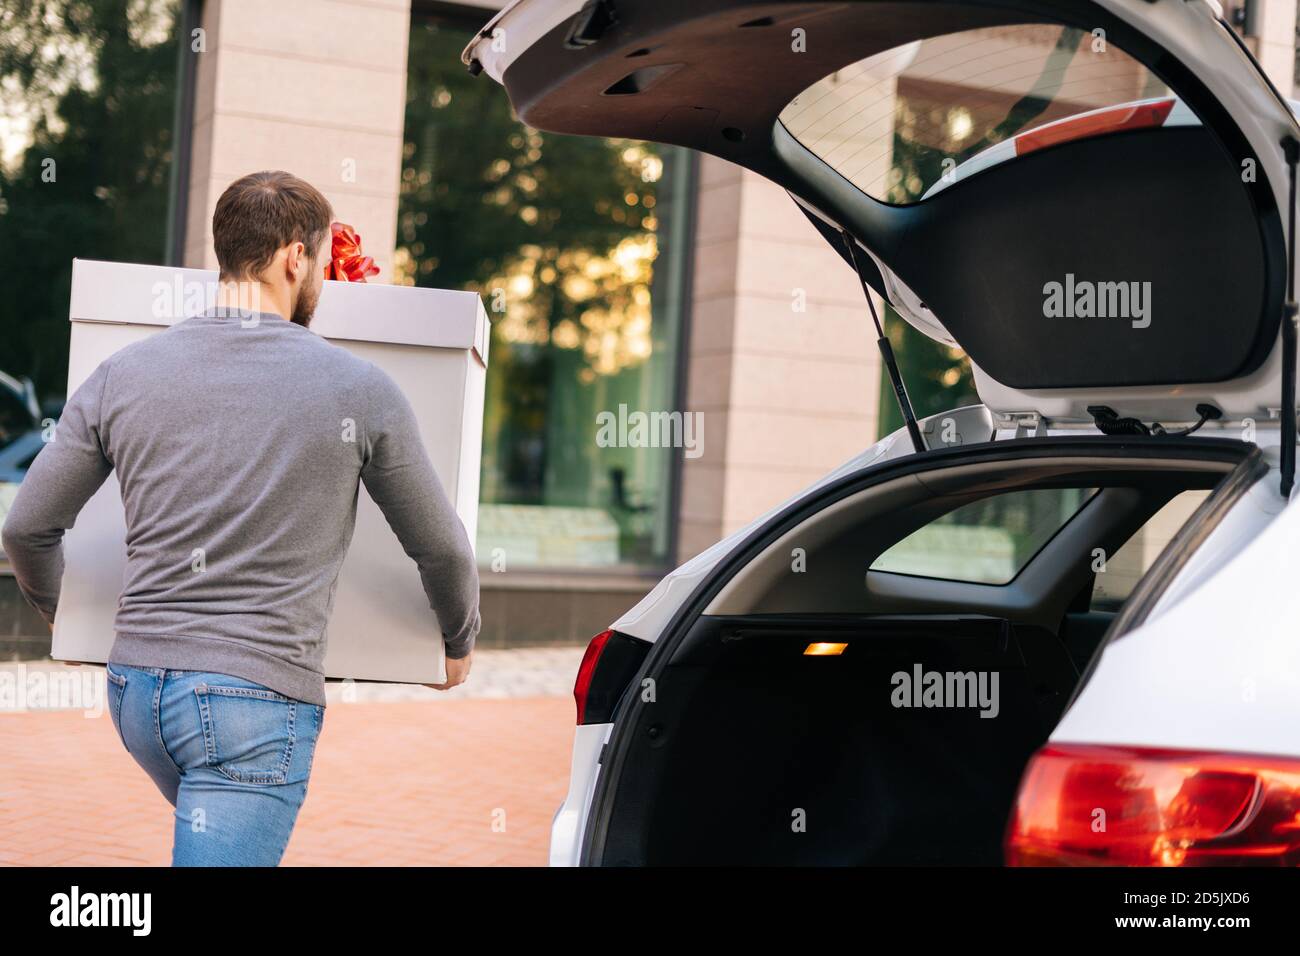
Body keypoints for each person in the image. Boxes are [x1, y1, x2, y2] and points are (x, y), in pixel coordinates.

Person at [1, 170, 481, 866]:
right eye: (318, 264)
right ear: (295, 257)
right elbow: (442, 550)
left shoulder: (122, 372)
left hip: (136, 693)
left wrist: (57, 607)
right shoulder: (361, 389)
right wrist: (458, 640)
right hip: (252, 707)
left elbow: (26, 527)